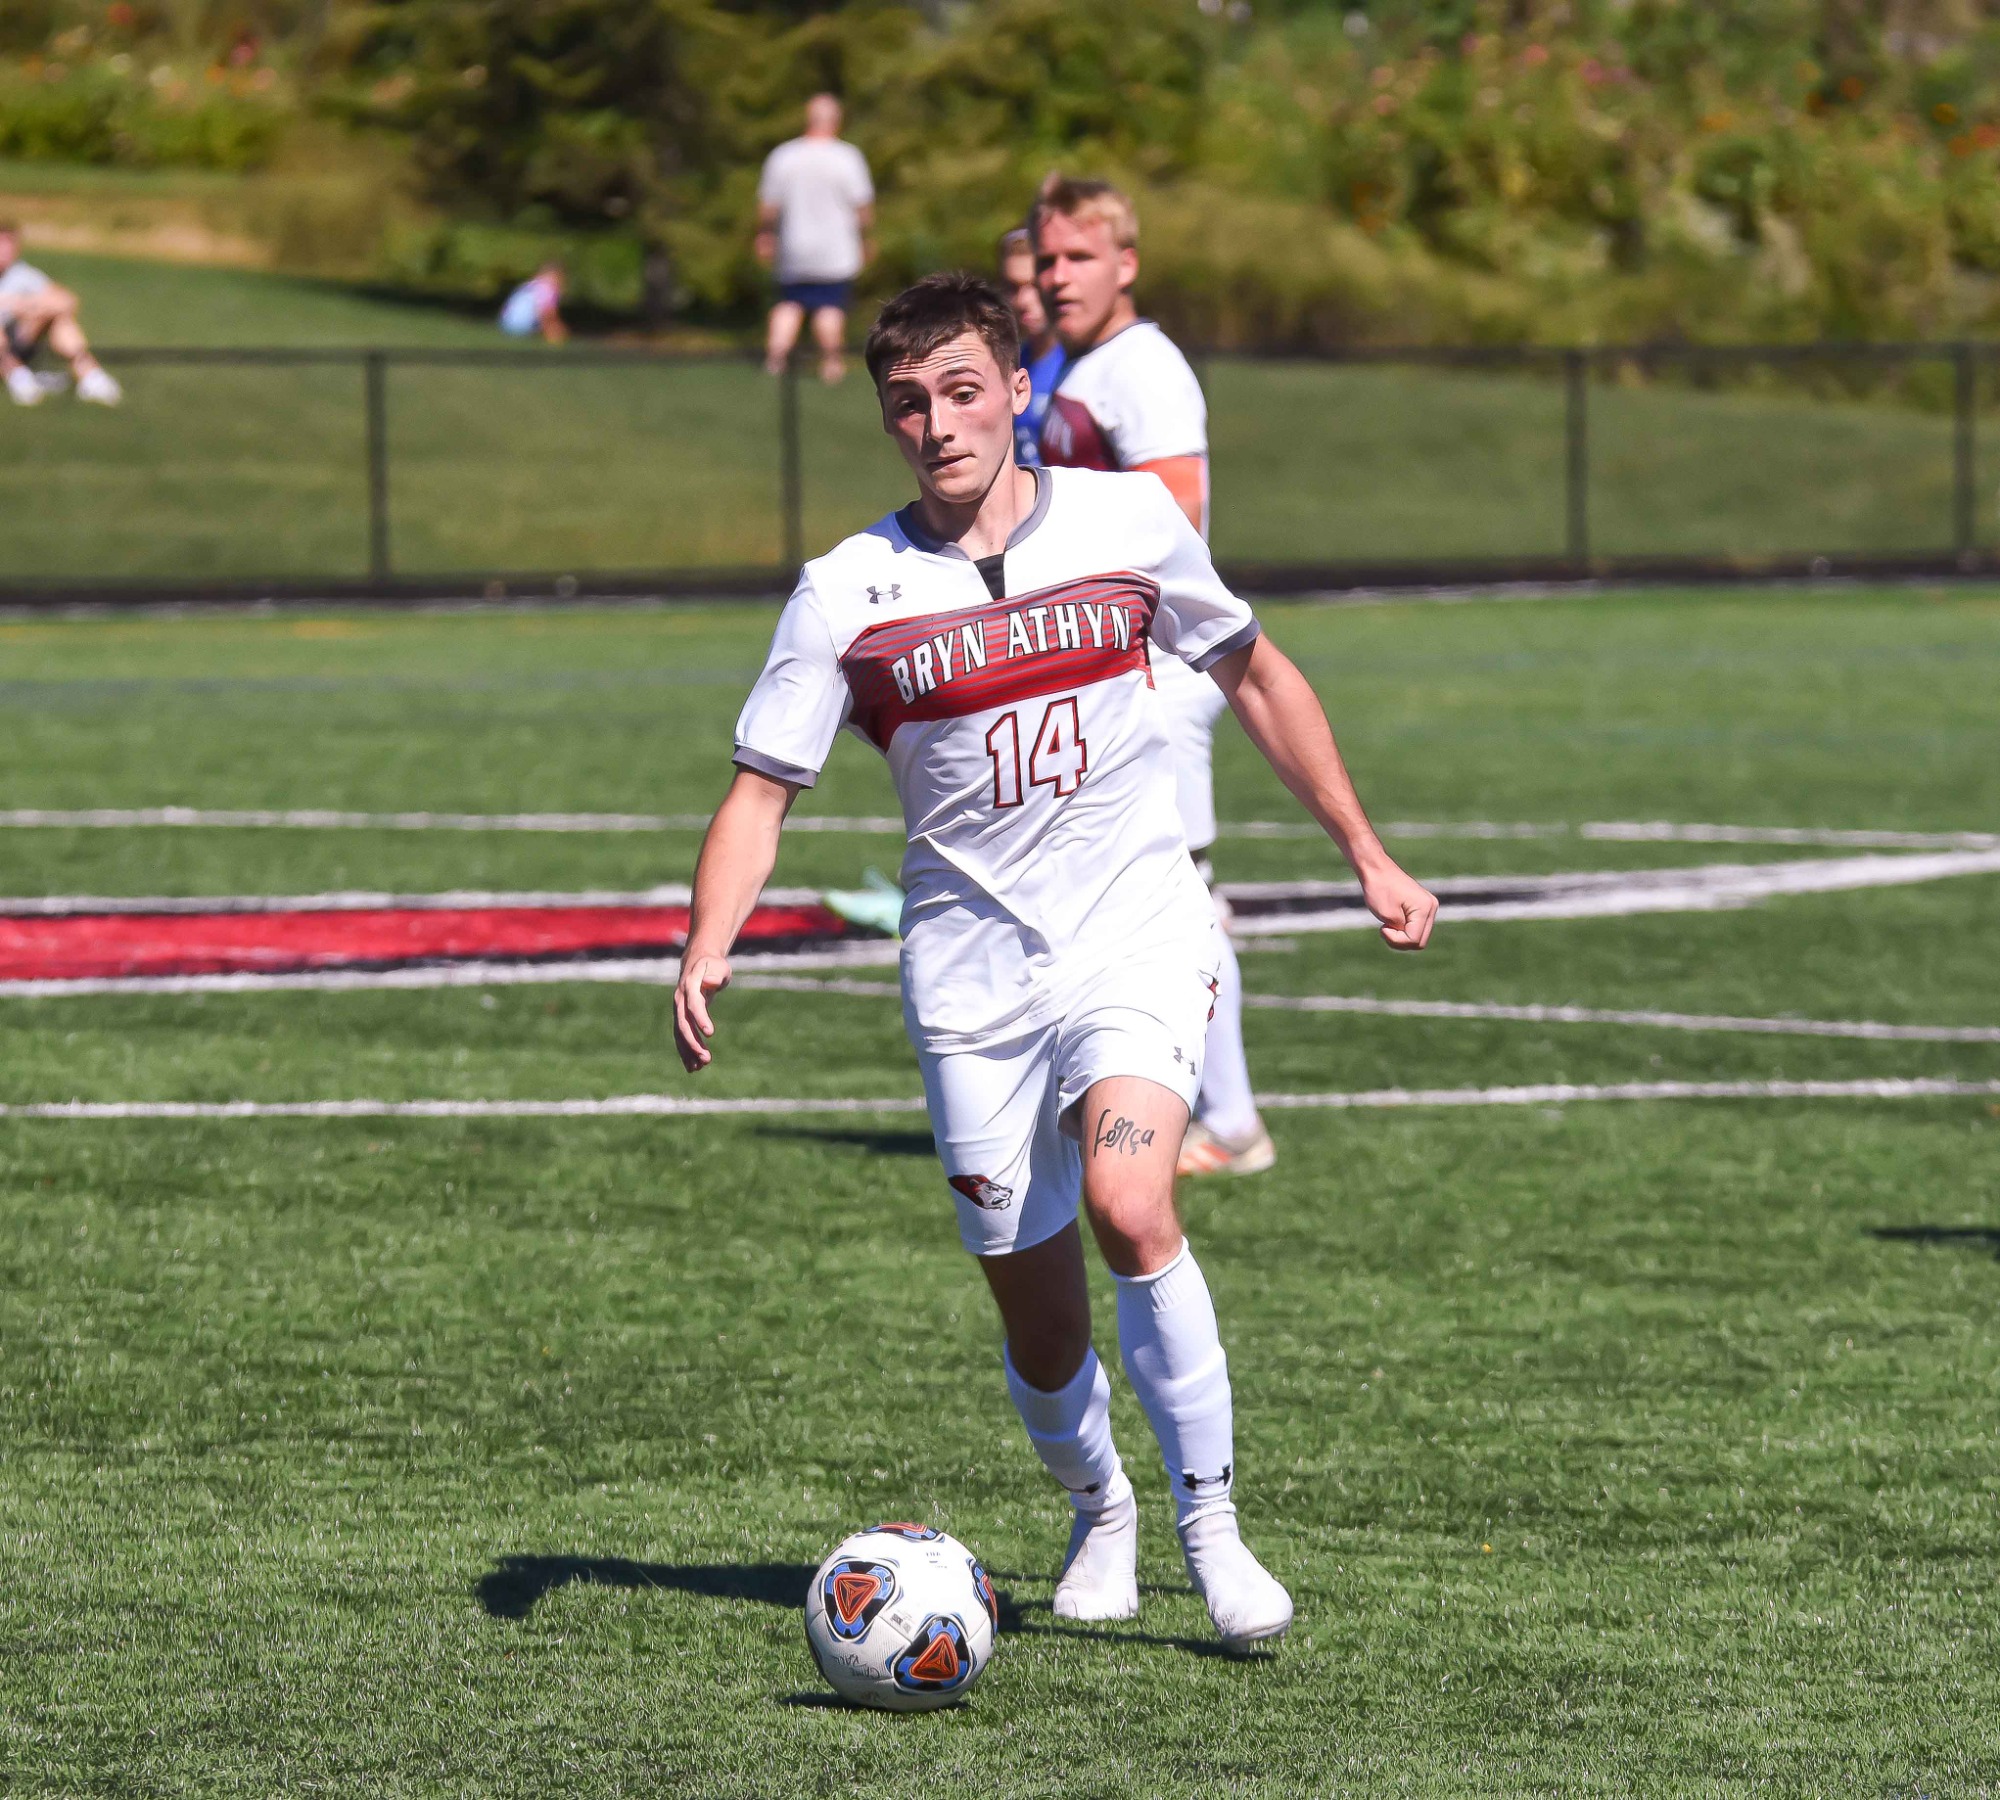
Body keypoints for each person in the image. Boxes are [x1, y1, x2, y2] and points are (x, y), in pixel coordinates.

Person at [674, 273, 1436, 1650]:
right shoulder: (847, 593)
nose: (938, 425)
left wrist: (1365, 850)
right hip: (971, 982)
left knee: (1132, 1201)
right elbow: (760, 791)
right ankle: (1102, 1511)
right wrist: (706, 944)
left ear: (1017, 391)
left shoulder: (1130, 523)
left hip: (1139, 930)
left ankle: (1214, 1533)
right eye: (909, 403)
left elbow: (1256, 673)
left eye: (964, 391)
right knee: (1034, 1310)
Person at [1032, 174, 1265, 1178]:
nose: (1055, 276)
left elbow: (1175, 512)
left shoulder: (1141, 367)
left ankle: (1230, 1122)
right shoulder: (1080, 363)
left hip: (1157, 678)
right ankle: (1144, 1103)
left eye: (1078, 257)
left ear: (1126, 264)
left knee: (1186, 903)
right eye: (1046, 258)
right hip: (1110, 680)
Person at [756, 94, 874, 384]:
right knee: (830, 306)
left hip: (794, 246)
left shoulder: (784, 155)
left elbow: (769, 205)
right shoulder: (847, 156)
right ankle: (831, 364)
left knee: (789, 304)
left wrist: (765, 234)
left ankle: (775, 361)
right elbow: (862, 207)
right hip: (835, 249)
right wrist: (866, 238)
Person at [0, 223, 121, 407]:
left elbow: (67, 301)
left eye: (10, 246)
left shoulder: (21, 274)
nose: (5, 252)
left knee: (60, 320)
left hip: (17, 341)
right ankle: (18, 376)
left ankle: (91, 376)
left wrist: (29, 306)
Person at [998, 225, 1066, 467]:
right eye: (1013, 288)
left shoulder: (1080, 364)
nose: (1023, 301)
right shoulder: (1008, 365)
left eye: (1035, 286)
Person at [499, 262, 567, 343]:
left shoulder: (530, 285)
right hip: (523, 326)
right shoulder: (548, 288)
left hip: (506, 324)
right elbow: (547, 315)